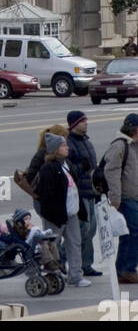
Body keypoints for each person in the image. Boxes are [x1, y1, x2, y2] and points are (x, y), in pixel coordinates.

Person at [34, 132, 90, 288]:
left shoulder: (67, 164)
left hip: (72, 213)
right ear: (55, 150)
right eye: (63, 145)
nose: (67, 147)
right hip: (56, 215)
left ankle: (76, 276)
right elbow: (46, 194)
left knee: (75, 243)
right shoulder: (48, 168)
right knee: (51, 245)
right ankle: (49, 274)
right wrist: (53, 213)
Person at [103, 112, 138, 286]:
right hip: (126, 198)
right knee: (132, 234)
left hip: (134, 197)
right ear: (134, 129)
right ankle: (125, 270)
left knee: (133, 234)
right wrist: (115, 199)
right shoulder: (120, 145)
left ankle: (127, 268)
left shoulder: (134, 145)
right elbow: (112, 172)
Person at [66, 111, 102, 277]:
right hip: (79, 193)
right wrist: (83, 166)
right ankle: (61, 256)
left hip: (91, 192)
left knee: (91, 229)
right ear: (74, 124)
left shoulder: (87, 142)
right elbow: (69, 171)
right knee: (82, 230)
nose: (86, 123)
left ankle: (87, 264)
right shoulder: (69, 143)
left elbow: (93, 168)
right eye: (83, 121)